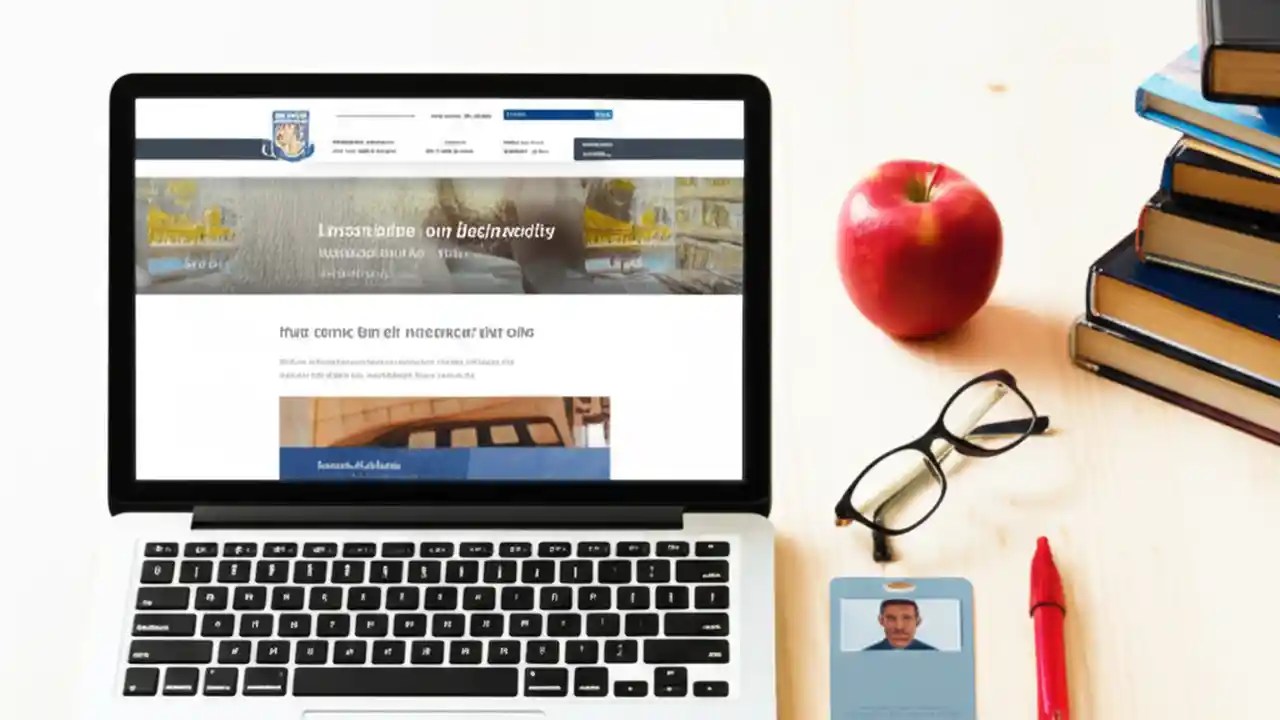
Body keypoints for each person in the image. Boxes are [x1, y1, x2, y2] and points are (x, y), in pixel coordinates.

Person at [863, 599, 936, 650]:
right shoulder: (864, 659)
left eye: (907, 618)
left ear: (918, 621)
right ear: (881, 621)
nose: (899, 627)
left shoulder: (936, 658)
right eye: (891, 618)